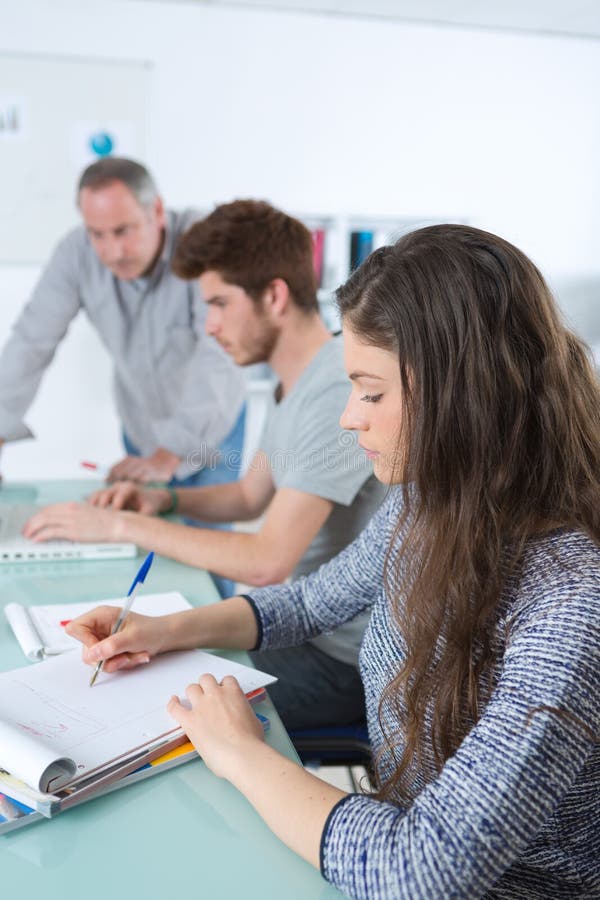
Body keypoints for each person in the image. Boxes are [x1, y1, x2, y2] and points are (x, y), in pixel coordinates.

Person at [64, 223, 600, 898]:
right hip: (379, 843)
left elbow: (422, 871)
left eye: (372, 393)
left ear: (467, 395)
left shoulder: (572, 605)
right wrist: (163, 630)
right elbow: (313, 601)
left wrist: (241, 752)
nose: (351, 418)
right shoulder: (426, 507)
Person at [24, 199, 386, 730]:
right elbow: (247, 497)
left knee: (141, 709)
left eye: (218, 304)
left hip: (337, 664)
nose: (209, 326)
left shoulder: (335, 387)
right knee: (137, 675)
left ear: (274, 296)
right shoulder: (297, 379)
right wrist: (165, 500)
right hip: (300, 632)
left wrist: (119, 524)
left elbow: (267, 561)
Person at [0, 157, 245, 490]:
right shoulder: (75, 253)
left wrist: (170, 454)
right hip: (141, 428)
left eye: (123, 231)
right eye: (97, 234)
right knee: (146, 538)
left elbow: (219, 355)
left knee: (207, 537)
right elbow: (31, 341)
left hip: (211, 432)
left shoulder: (203, 243)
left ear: (157, 211)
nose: (112, 252)